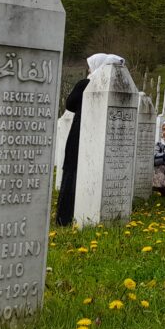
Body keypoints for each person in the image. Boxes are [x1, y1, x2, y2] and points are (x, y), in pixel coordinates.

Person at [56, 53, 122, 225]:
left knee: (73, 171)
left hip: (81, 130)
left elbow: (70, 104)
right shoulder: (115, 85)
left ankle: (66, 216)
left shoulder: (86, 83)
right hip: (108, 136)